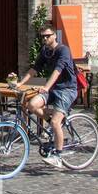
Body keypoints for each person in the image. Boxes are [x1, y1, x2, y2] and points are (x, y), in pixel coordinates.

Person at [19, 24, 78, 169]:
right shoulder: (45, 51)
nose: (45, 38)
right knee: (31, 105)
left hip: (67, 89)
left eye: (48, 36)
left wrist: (45, 87)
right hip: (53, 89)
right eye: (43, 36)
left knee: (55, 123)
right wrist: (20, 83)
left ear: (54, 36)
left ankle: (58, 156)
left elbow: (58, 70)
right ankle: (54, 122)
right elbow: (35, 69)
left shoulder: (63, 50)